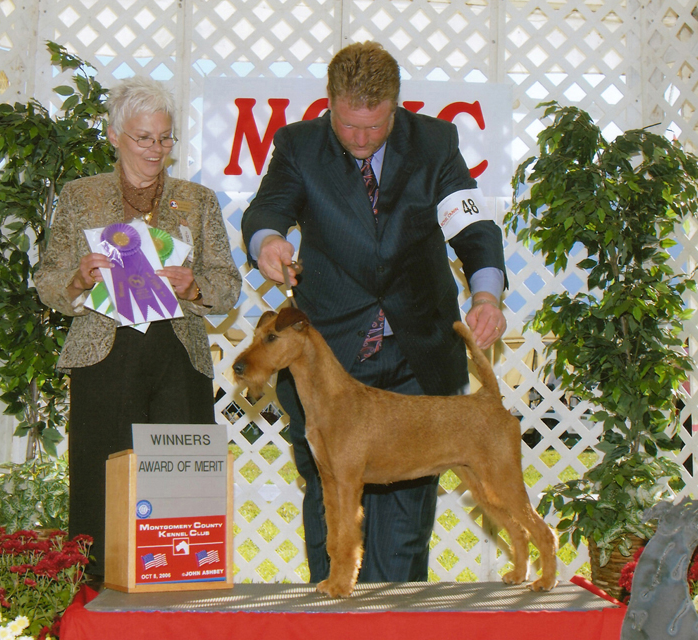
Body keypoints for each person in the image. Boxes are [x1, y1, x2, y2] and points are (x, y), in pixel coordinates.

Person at [241, 41, 508, 584]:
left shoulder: (435, 141)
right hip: (331, 364)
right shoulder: (297, 144)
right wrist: (267, 240)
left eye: (375, 126)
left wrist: (486, 293)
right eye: (348, 125)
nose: (360, 140)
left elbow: (472, 223)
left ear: (396, 105)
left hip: (419, 355)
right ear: (331, 103)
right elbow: (267, 208)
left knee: (407, 523)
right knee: (329, 498)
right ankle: (332, 609)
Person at [36, 76, 241, 578]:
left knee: (179, 494)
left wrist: (195, 288)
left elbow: (227, 285)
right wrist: (78, 279)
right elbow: (47, 281)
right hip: (103, 355)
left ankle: (180, 601)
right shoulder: (79, 197)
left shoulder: (197, 200)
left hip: (179, 355)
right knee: (98, 488)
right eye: (144, 137)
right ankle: (94, 598)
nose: (157, 149)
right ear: (113, 135)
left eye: (165, 137)